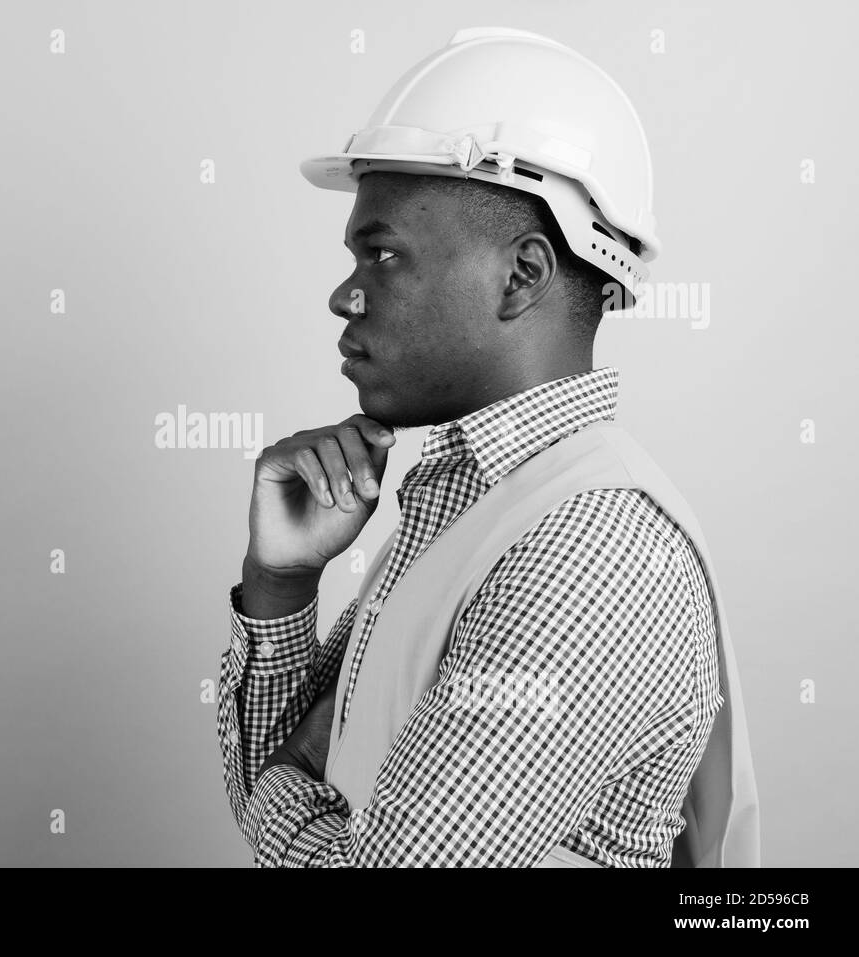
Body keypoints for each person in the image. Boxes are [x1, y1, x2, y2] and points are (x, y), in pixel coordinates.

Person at [215, 27, 759, 867]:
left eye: (384, 254)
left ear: (523, 275)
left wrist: (284, 779)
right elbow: (307, 790)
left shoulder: (588, 551)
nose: (341, 294)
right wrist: (282, 585)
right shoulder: (479, 510)